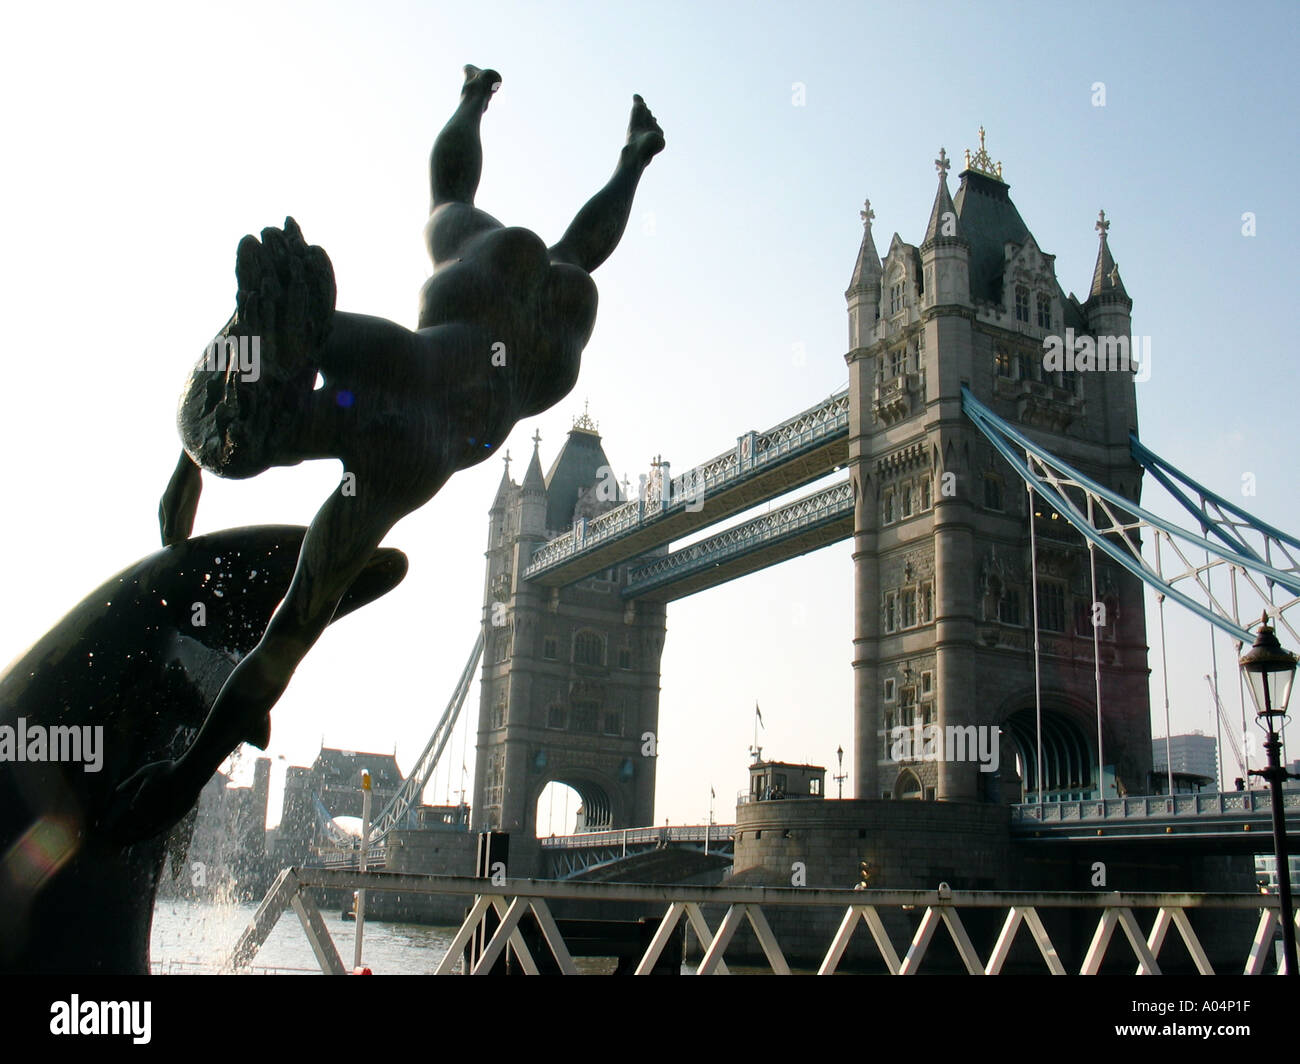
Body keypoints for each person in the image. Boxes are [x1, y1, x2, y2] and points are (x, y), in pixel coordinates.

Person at [110, 67, 665, 843]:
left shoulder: (377, 488)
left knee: (571, 252)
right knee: (450, 207)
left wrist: (182, 778)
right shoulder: (359, 356)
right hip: (475, 300)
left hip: (539, 351)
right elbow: (272, 359)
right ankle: (491, 102)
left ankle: (633, 156)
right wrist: (192, 457)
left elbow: (282, 644)